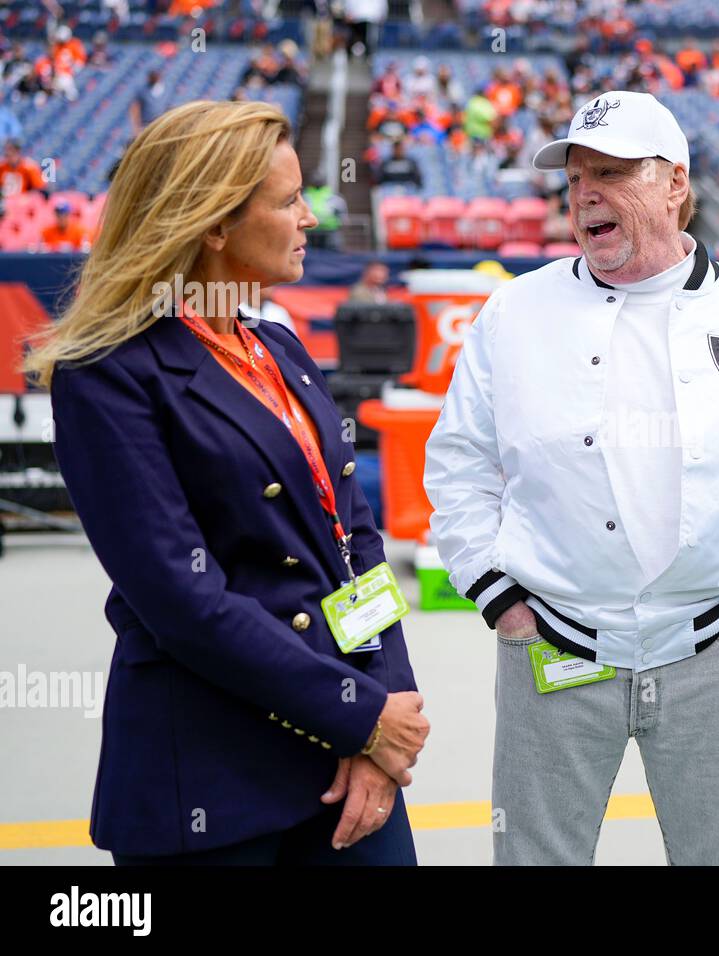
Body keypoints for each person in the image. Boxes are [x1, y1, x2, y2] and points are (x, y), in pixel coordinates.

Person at [425, 90, 719, 866]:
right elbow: (459, 466)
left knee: (718, 858)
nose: (585, 194)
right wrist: (502, 601)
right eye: (576, 177)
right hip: (550, 638)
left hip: (715, 645)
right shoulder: (513, 313)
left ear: (675, 184)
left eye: (612, 173)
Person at [25, 101, 428, 865]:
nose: (311, 218)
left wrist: (388, 711)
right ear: (214, 223)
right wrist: (359, 719)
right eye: (288, 201)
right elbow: (184, 601)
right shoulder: (109, 374)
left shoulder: (279, 347)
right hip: (213, 778)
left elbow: (358, 548)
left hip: (350, 764)